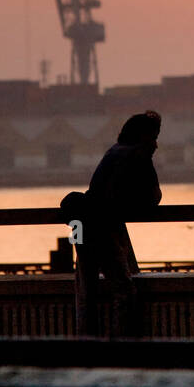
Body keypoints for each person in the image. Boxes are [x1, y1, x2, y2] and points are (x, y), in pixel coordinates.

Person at [63, 110, 162, 337]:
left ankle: (86, 342)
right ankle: (122, 345)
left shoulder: (113, 152)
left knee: (86, 291)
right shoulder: (138, 155)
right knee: (124, 290)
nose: (156, 144)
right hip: (104, 227)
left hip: (84, 224)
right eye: (154, 137)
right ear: (144, 136)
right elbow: (153, 198)